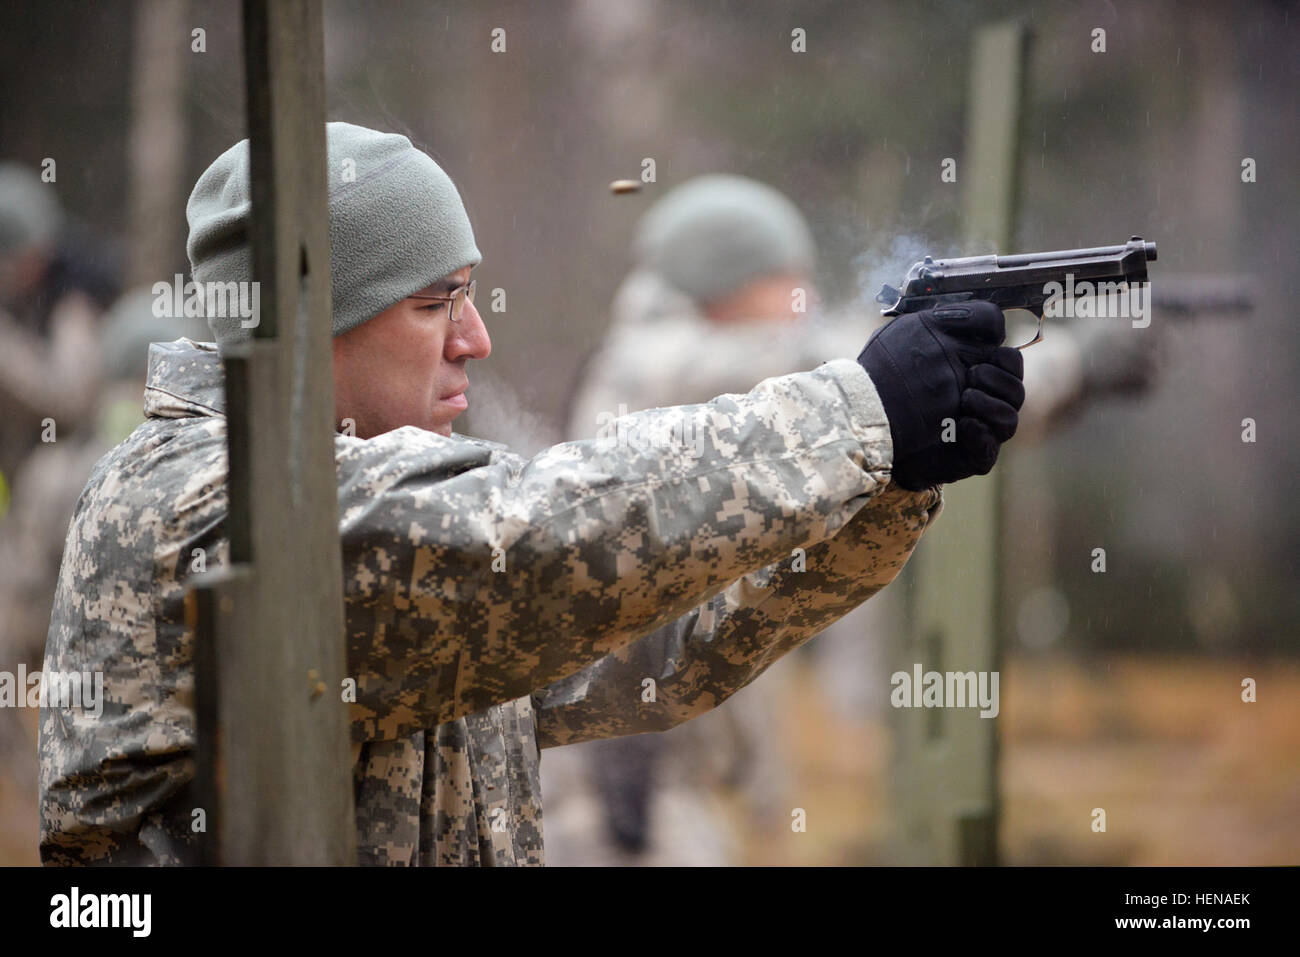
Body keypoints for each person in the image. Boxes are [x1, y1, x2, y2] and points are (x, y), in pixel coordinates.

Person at [38, 123, 1024, 866]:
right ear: (301, 326)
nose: (475, 340)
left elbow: (654, 653)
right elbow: (534, 548)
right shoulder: (200, 494)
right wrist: (855, 411)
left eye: (469, 297)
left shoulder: (369, 507)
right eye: (433, 305)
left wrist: (892, 481)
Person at [552, 174, 1165, 864]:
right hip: (617, 799)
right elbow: (875, 383)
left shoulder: (679, 361)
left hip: (654, 769)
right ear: (722, 285)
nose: (805, 300)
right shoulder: (660, 363)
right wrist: (1074, 363)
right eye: (786, 283)